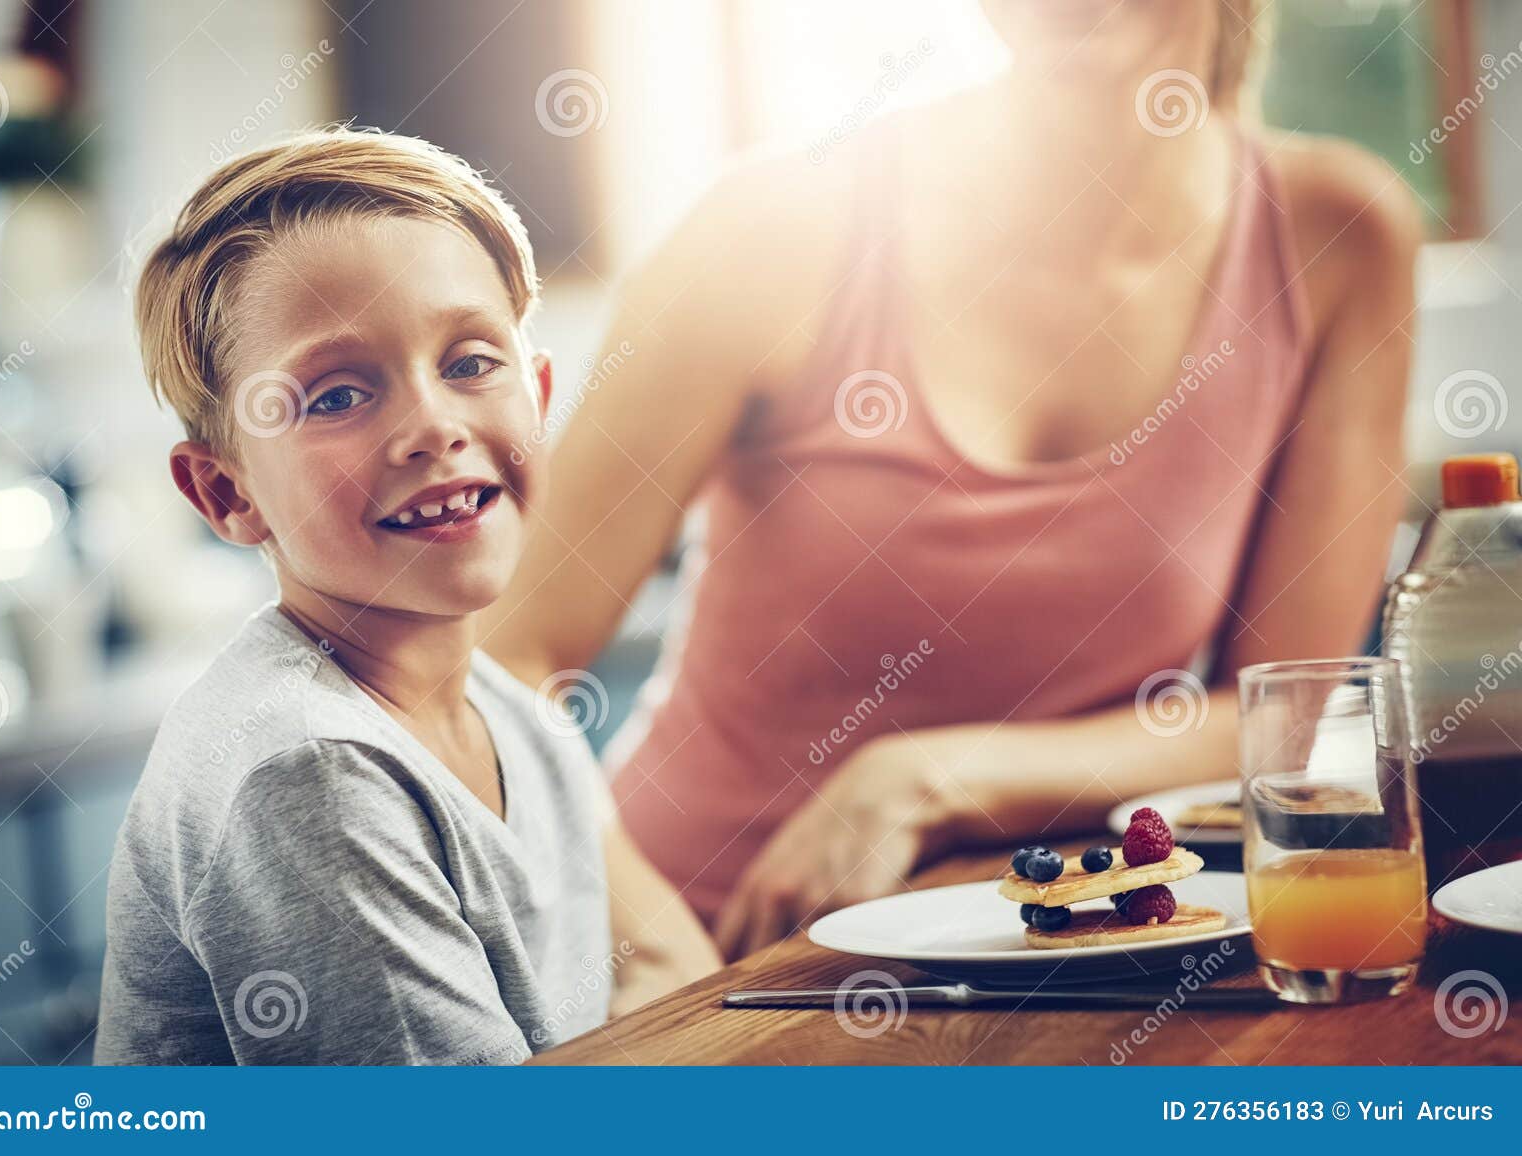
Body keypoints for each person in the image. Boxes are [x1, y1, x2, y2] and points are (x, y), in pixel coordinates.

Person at [484, 1, 1421, 959]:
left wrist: (928, 779)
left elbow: (1283, 714)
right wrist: (655, 956)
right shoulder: (775, 226)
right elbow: (492, 666)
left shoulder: (1337, 240)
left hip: (1057, 956)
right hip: (705, 952)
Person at [95, 128, 717, 1064]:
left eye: (470, 363)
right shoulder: (306, 770)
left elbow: (666, 980)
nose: (434, 426)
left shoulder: (515, 713)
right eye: (337, 396)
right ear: (227, 493)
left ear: (538, 398)